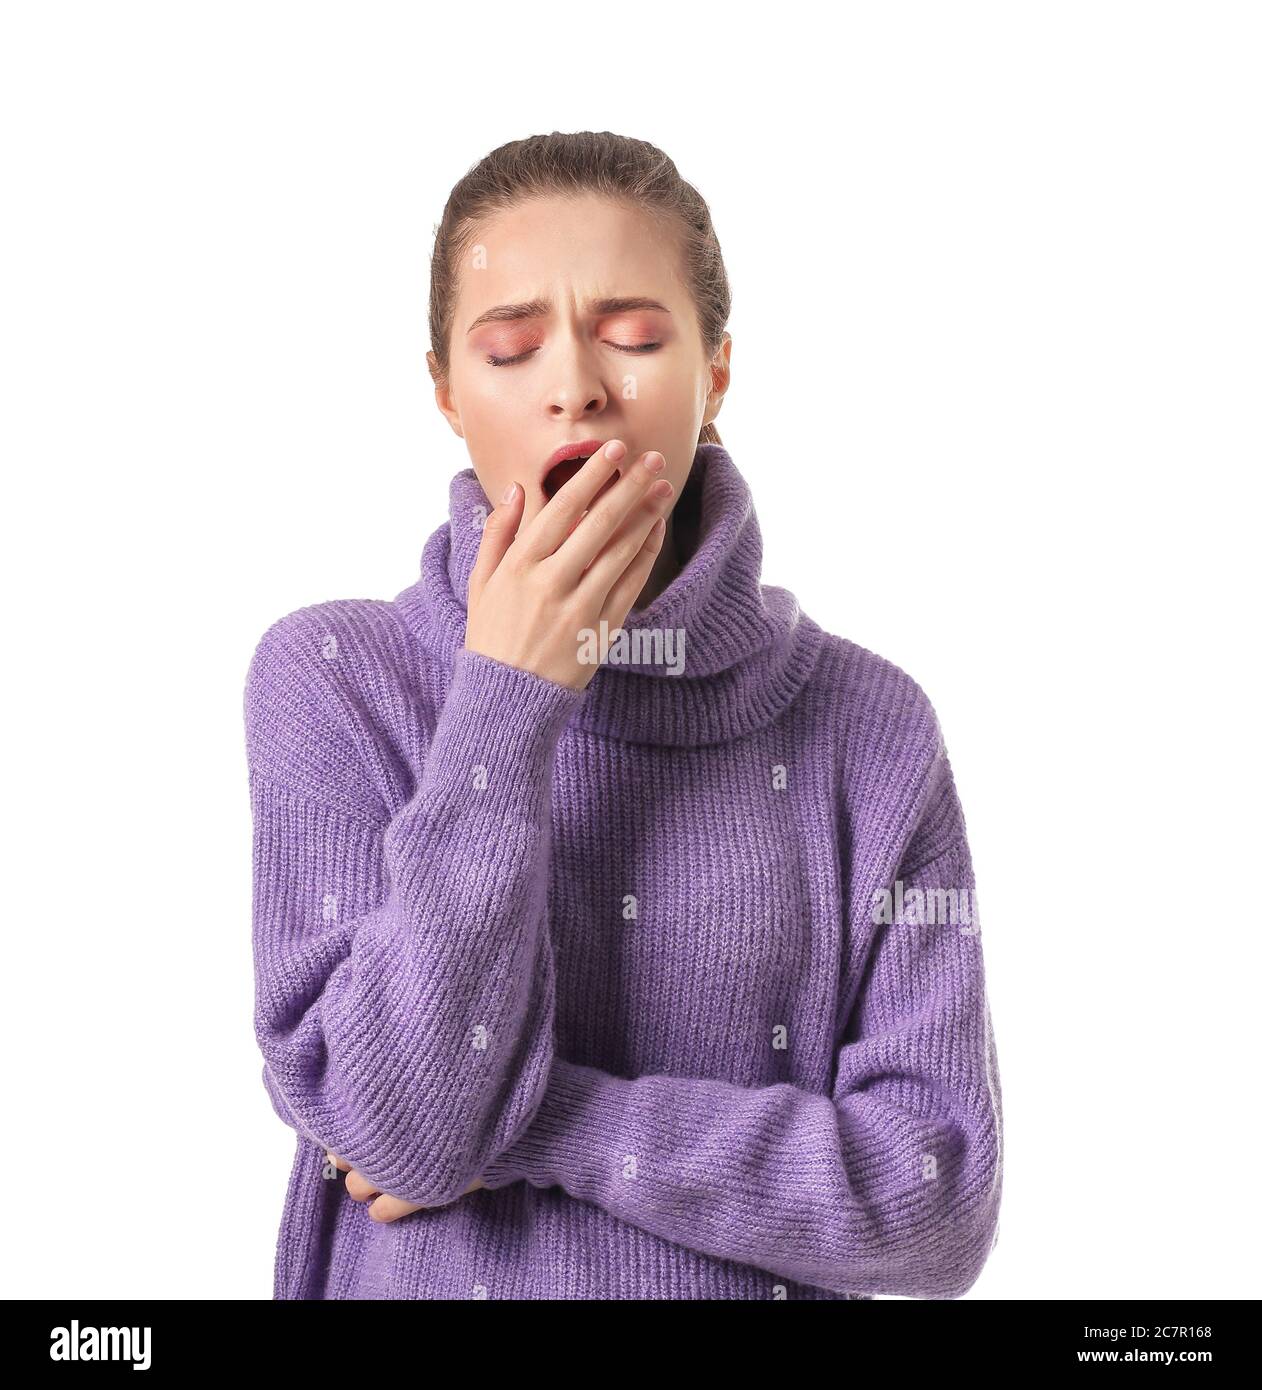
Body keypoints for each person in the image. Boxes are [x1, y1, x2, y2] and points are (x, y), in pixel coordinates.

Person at [243, 130, 1003, 1300]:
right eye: (507, 346)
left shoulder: (868, 726)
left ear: (716, 377)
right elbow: (400, 1135)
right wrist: (506, 697)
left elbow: (932, 1198)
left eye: (635, 337)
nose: (575, 386)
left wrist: (542, 1121)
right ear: (446, 392)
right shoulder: (335, 679)